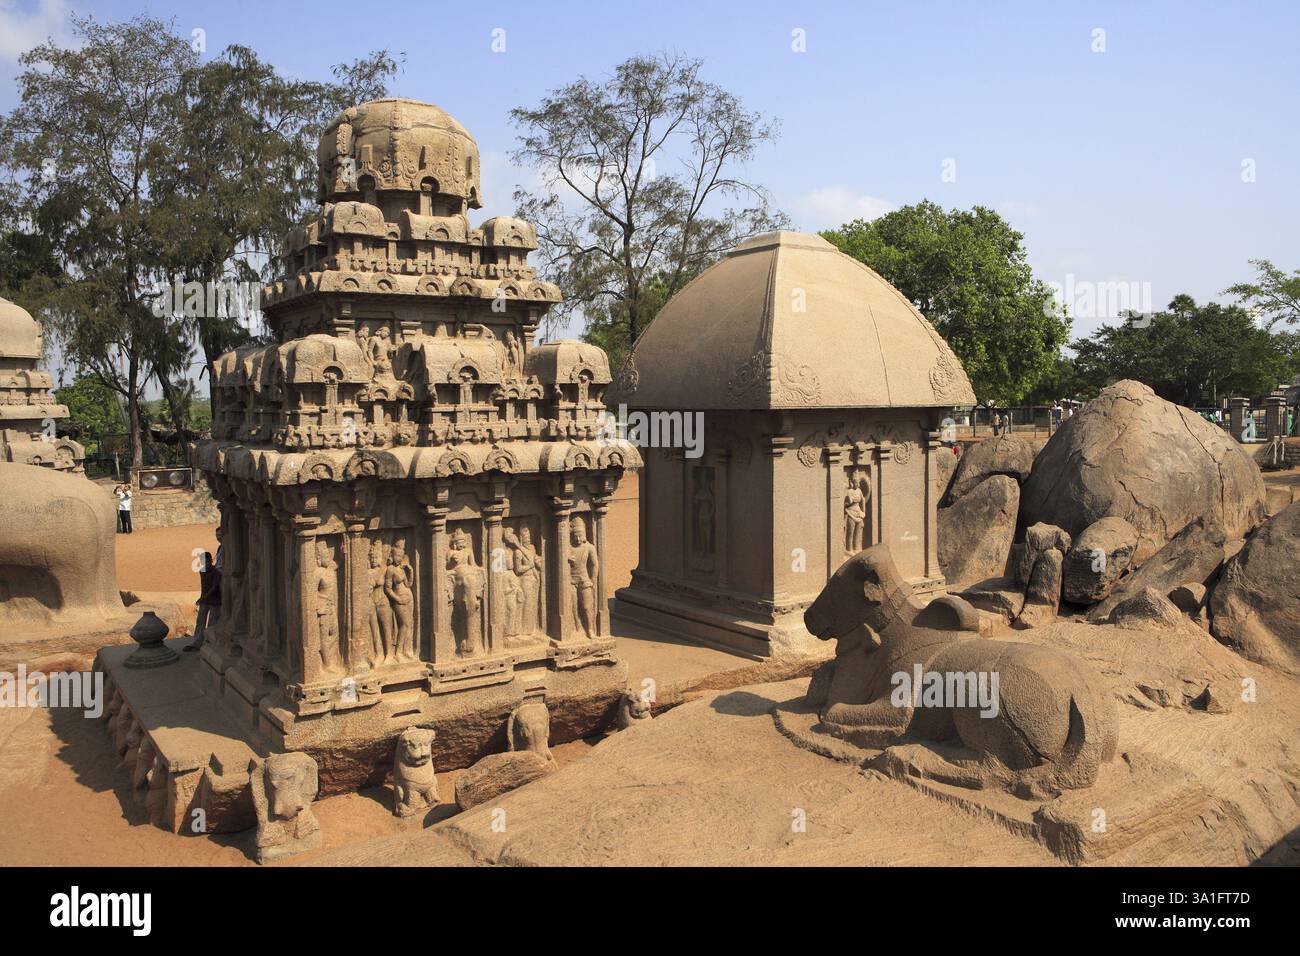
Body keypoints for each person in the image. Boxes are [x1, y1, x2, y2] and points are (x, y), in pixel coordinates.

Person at [186, 527, 224, 652]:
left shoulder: (214, 572)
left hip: (214, 598)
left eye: (220, 534)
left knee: (212, 622)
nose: (218, 536)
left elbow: (214, 586)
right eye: (216, 534)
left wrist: (203, 598)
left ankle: (208, 643)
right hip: (206, 599)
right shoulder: (203, 571)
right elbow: (205, 586)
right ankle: (197, 643)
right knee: (201, 621)